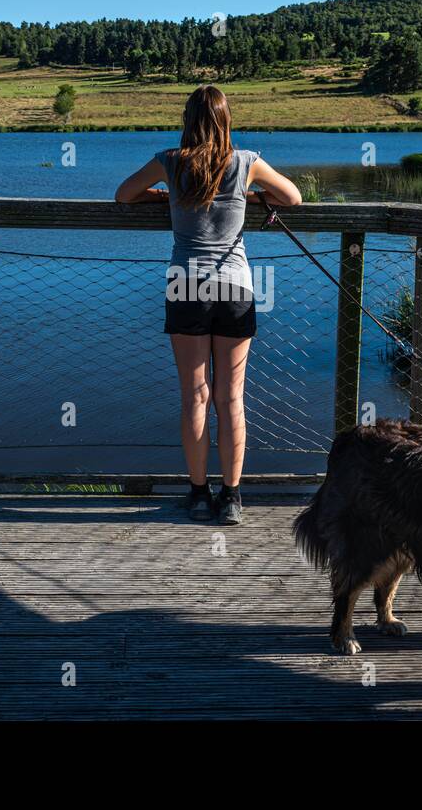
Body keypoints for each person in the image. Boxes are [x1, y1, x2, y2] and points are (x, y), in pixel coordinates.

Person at [114, 85, 301, 524]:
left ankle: (198, 494)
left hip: (185, 285)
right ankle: (232, 497)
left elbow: (124, 194)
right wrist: (251, 197)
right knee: (230, 398)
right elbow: (292, 197)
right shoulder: (246, 161)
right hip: (234, 285)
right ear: (225, 120)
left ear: (188, 120)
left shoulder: (170, 161)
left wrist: (165, 196)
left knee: (194, 397)